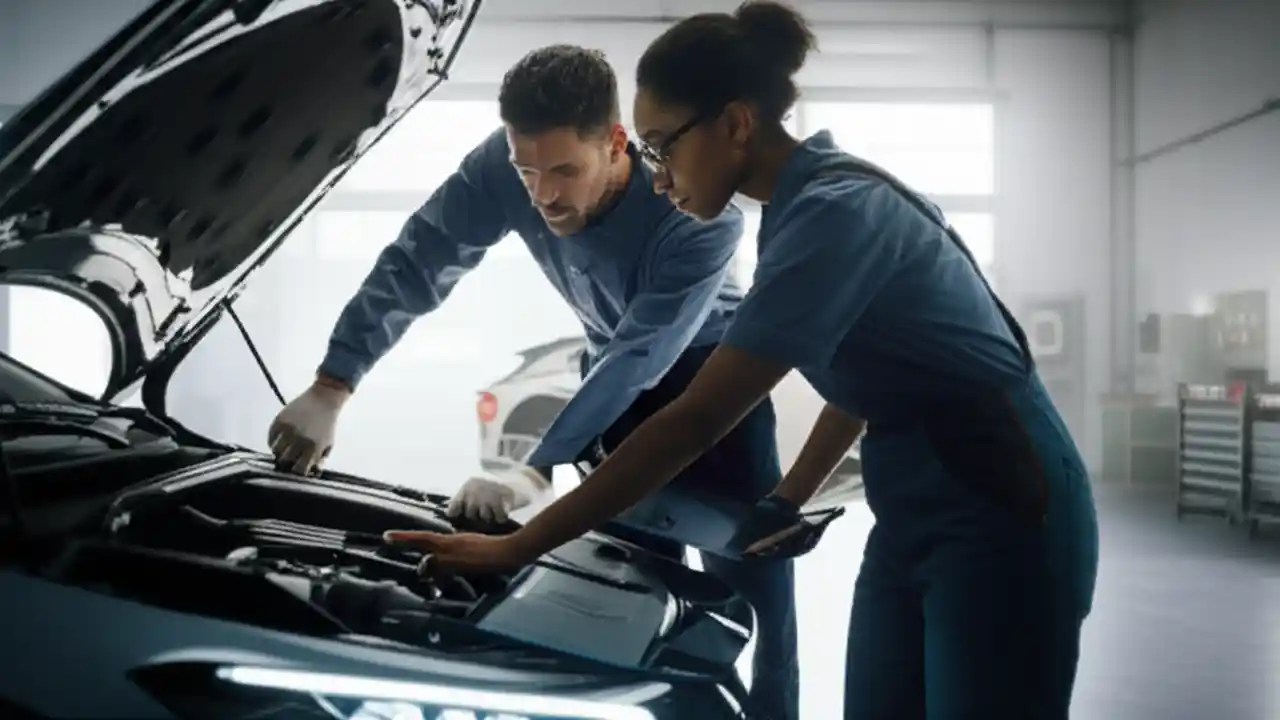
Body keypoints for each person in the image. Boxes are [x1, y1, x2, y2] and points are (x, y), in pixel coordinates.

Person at [383, 2, 1101, 718]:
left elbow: (694, 422)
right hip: (908, 505)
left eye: (662, 147)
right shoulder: (796, 211)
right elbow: (869, 375)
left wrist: (518, 547)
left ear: (735, 124)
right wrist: (788, 497)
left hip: (1002, 495)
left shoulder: (838, 212)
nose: (655, 177)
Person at [267, 44, 800, 720]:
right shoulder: (503, 165)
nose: (543, 194)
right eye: (528, 171)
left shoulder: (702, 220)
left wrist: (532, 473)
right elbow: (420, 259)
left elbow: (642, 357)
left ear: (615, 144)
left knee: (757, 611)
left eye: (564, 171)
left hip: (714, 401)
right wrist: (332, 384)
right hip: (609, 388)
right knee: (631, 609)